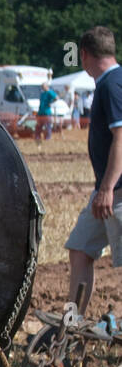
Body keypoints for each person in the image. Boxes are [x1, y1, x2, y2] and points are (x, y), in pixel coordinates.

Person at [65, 26, 122, 314]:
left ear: (84, 54)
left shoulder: (112, 84)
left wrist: (108, 189)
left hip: (116, 191)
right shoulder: (108, 83)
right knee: (80, 248)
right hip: (106, 190)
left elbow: (121, 137)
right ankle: (70, 328)